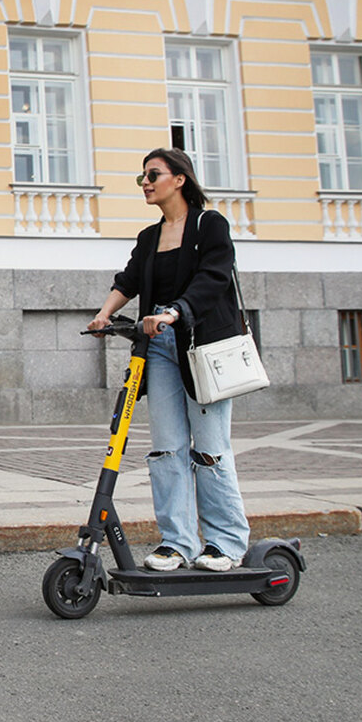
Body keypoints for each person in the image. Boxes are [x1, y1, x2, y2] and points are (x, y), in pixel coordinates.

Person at [86, 148, 250, 572]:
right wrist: (105, 313)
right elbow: (128, 280)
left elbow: (213, 277)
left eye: (152, 174)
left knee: (209, 449)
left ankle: (226, 543)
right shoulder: (149, 237)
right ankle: (178, 543)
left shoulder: (209, 225)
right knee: (166, 449)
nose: (145, 182)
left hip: (201, 346)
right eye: (141, 177)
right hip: (159, 347)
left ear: (179, 179)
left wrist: (175, 312)